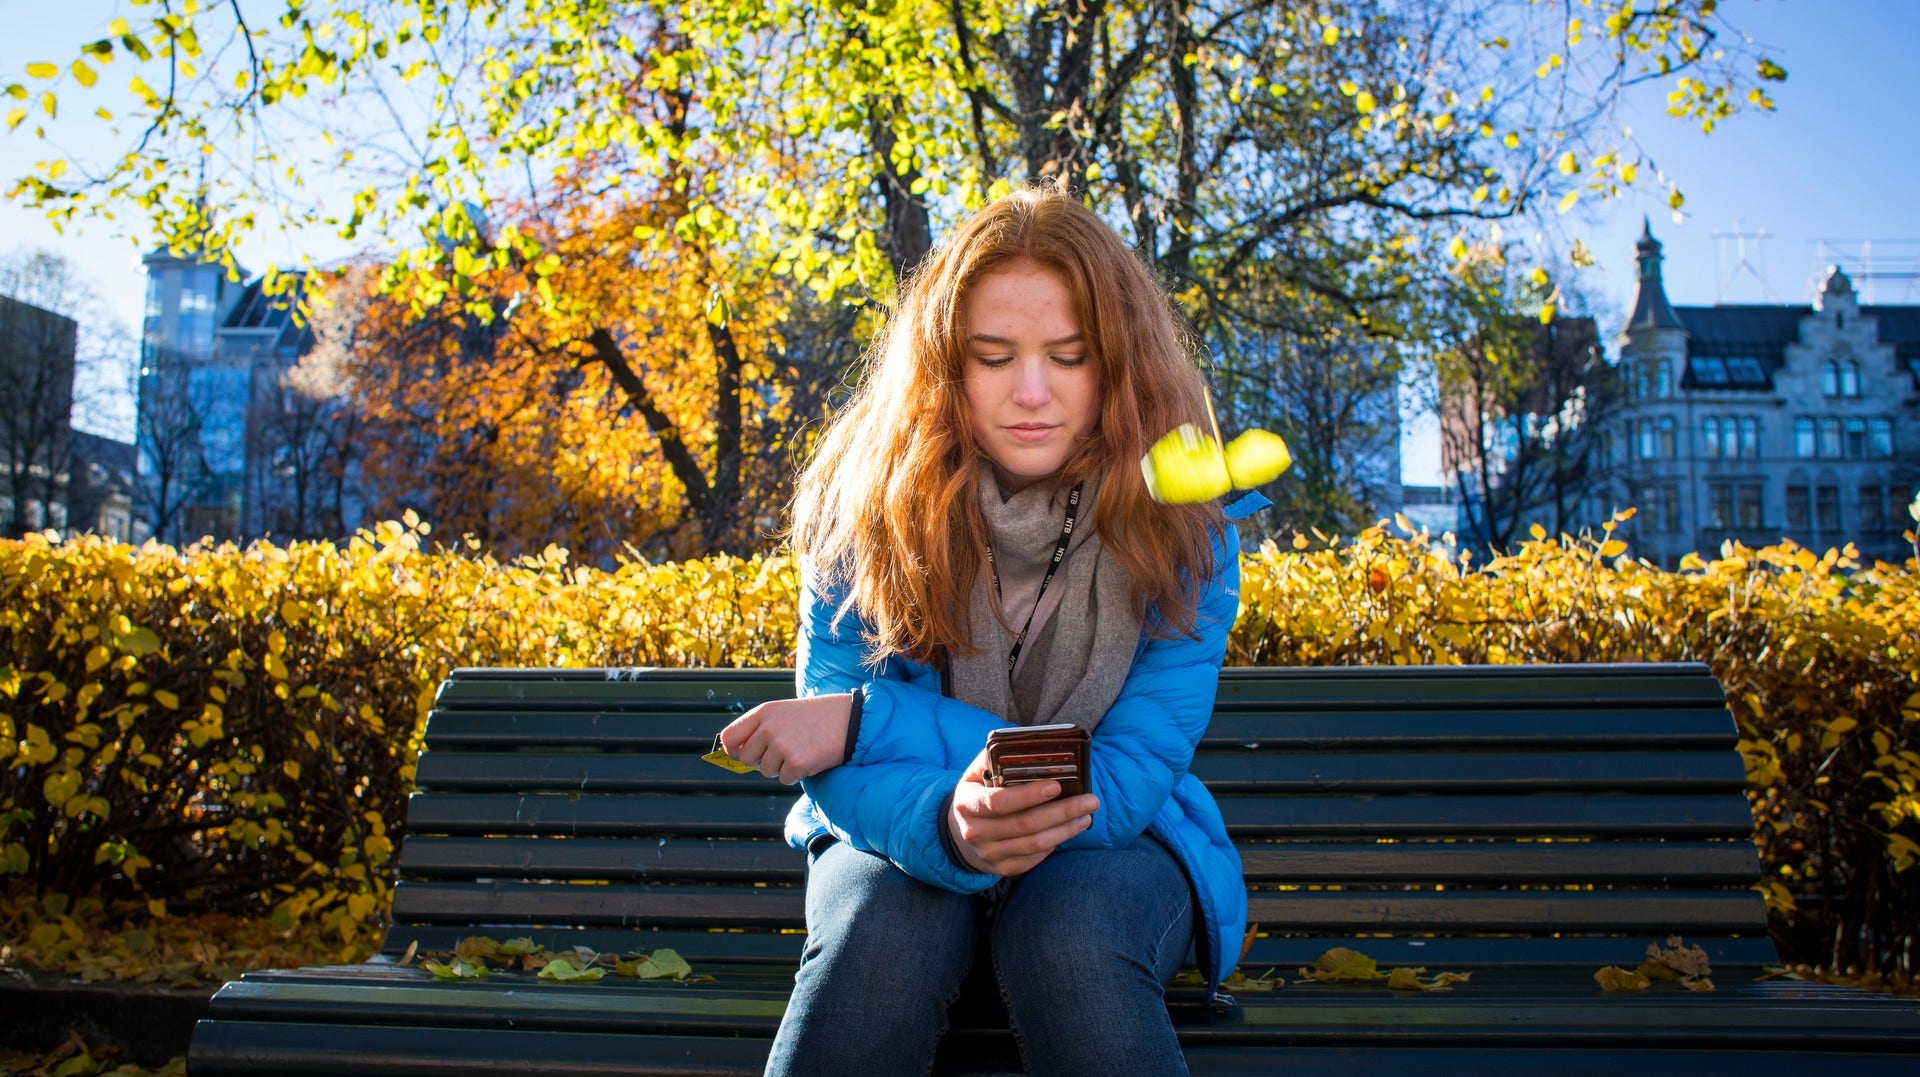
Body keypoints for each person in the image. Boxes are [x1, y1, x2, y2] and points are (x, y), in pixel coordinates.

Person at [719, 187, 1263, 1076]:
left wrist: (869, 720)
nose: (1033, 392)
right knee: (881, 923)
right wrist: (949, 823)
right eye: (993, 356)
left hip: (1112, 852)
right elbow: (843, 779)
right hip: (892, 835)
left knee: (1071, 928)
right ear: (944, 364)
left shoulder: (1187, 529)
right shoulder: (862, 512)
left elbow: (1123, 778)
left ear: (1119, 362)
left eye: (1070, 355)